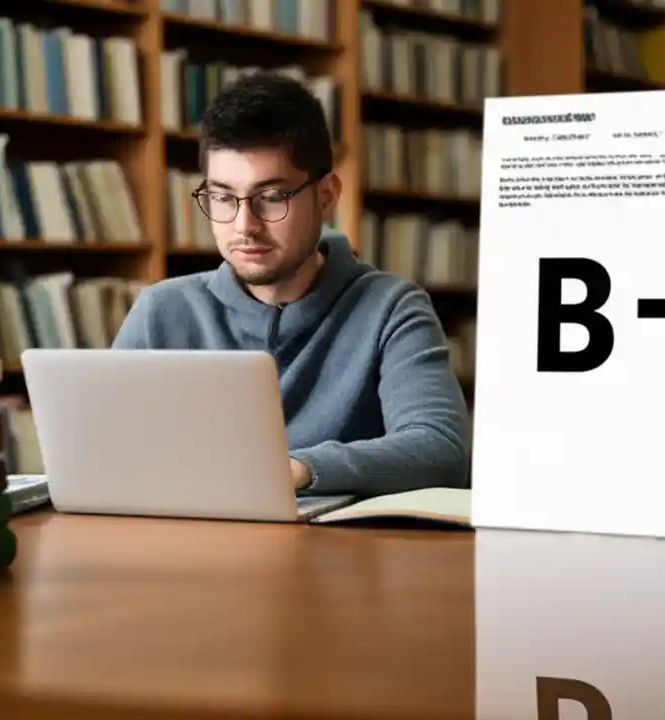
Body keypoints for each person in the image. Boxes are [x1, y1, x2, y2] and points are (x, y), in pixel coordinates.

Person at [111, 72, 470, 498]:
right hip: (190, 551)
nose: (244, 226)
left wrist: (299, 470)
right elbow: (105, 455)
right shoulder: (162, 310)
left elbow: (441, 448)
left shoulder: (390, 306)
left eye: (272, 197)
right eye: (223, 197)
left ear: (326, 195)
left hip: (338, 558)